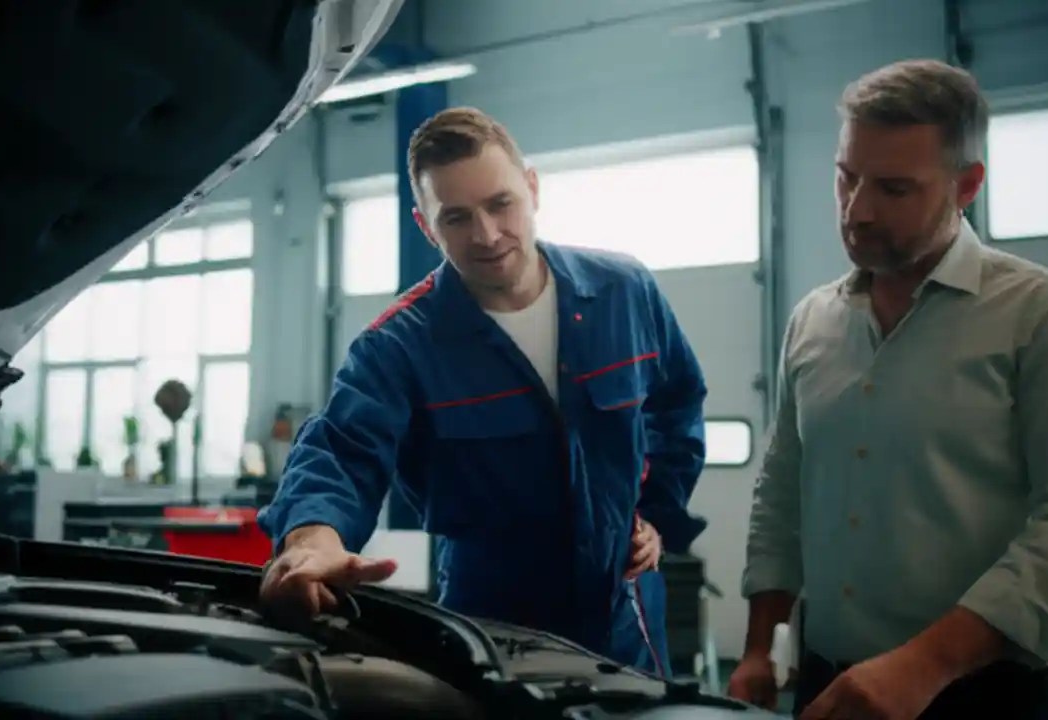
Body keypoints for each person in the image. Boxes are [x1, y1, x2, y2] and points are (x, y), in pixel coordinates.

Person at [728, 58, 1048, 718]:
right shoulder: (813, 321)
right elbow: (782, 493)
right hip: (829, 686)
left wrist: (924, 666)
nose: (857, 211)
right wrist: (758, 650)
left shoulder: (1045, 316)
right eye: (845, 179)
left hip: (987, 695)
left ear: (966, 184)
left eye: (893, 188)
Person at [255, 106, 709, 675]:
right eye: (457, 218)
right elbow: (341, 450)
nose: (487, 235)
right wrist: (311, 541)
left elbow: (678, 404)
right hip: (492, 620)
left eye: (501, 204)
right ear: (426, 226)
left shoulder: (625, 292)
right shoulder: (400, 346)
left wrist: (658, 513)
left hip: (624, 606)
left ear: (533, 188)